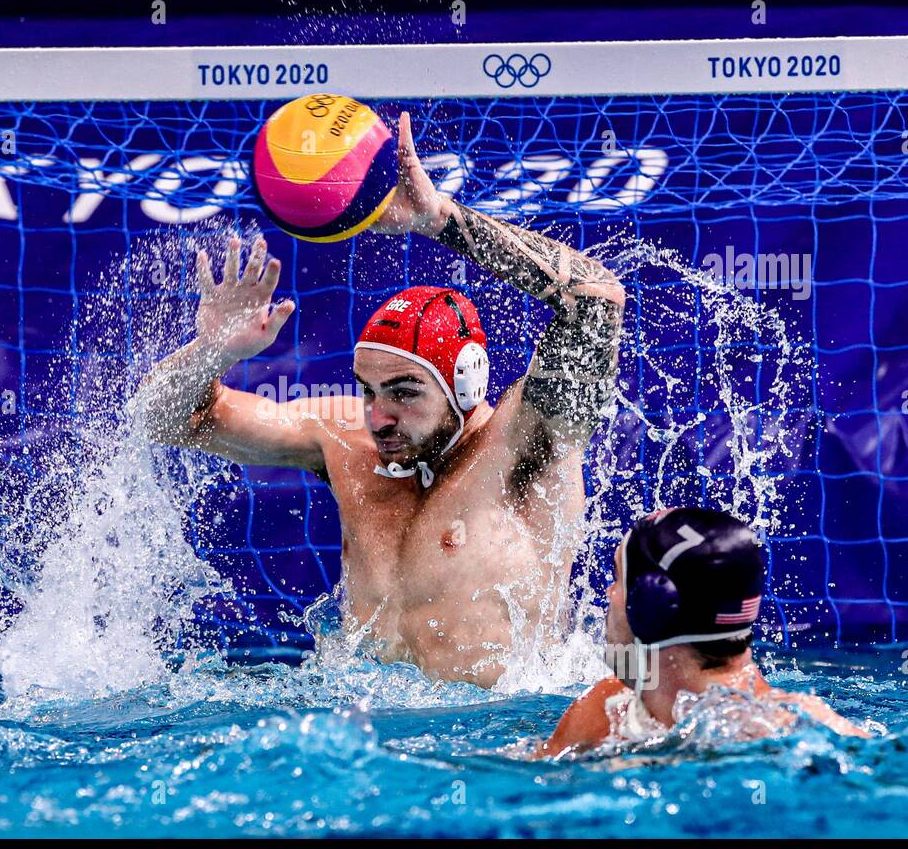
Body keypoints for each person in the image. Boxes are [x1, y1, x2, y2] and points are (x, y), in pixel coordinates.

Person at [140, 111, 624, 687]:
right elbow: (165, 421)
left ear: (465, 386)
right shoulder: (344, 441)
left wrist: (440, 219)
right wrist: (212, 352)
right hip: (369, 741)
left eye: (403, 392)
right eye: (368, 390)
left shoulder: (525, 444)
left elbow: (595, 297)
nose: (378, 416)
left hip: (500, 740)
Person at [533, 507, 870, 756]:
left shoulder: (793, 732)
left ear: (652, 605)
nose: (608, 594)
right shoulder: (604, 710)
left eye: (618, 579)